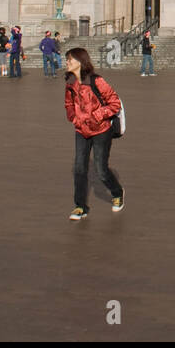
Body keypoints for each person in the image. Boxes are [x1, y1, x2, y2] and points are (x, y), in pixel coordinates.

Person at [63, 47, 124, 221]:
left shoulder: (96, 81)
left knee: (101, 169)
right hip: (81, 130)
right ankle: (80, 206)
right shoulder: (70, 82)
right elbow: (68, 104)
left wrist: (97, 116)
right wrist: (74, 118)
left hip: (101, 130)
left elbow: (115, 103)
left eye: (70, 60)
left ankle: (117, 192)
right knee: (80, 168)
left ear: (80, 62)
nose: (67, 62)